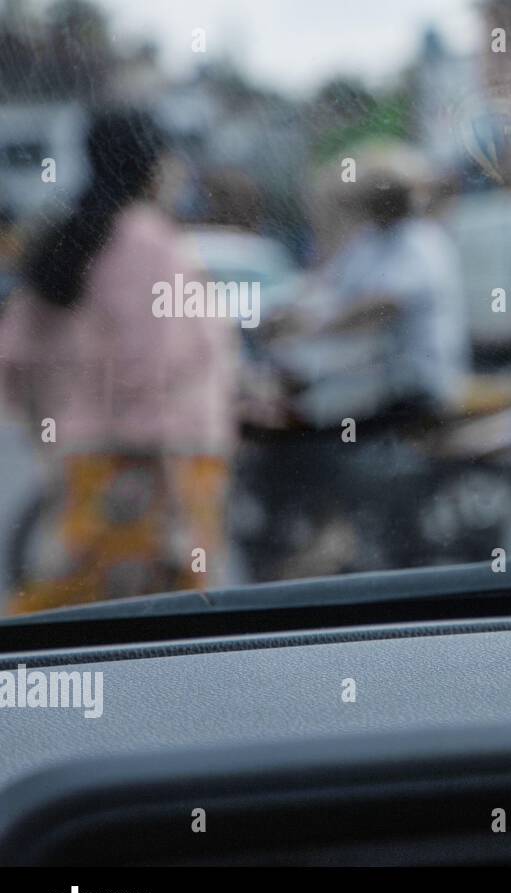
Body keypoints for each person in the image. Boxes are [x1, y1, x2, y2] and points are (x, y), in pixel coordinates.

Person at [0, 109, 237, 613]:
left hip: (93, 456)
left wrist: (49, 430)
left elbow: (15, 355)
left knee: (84, 612)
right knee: (160, 621)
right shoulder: (147, 240)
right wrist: (162, 474)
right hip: (153, 461)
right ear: (153, 165)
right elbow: (151, 362)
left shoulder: (69, 236)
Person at [282, 145, 471, 428]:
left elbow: (383, 306)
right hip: (375, 374)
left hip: (414, 383)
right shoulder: (370, 240)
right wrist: (288, 314)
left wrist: (318, 326)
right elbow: (327, 286)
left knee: (308, 416)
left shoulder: (422, 242)